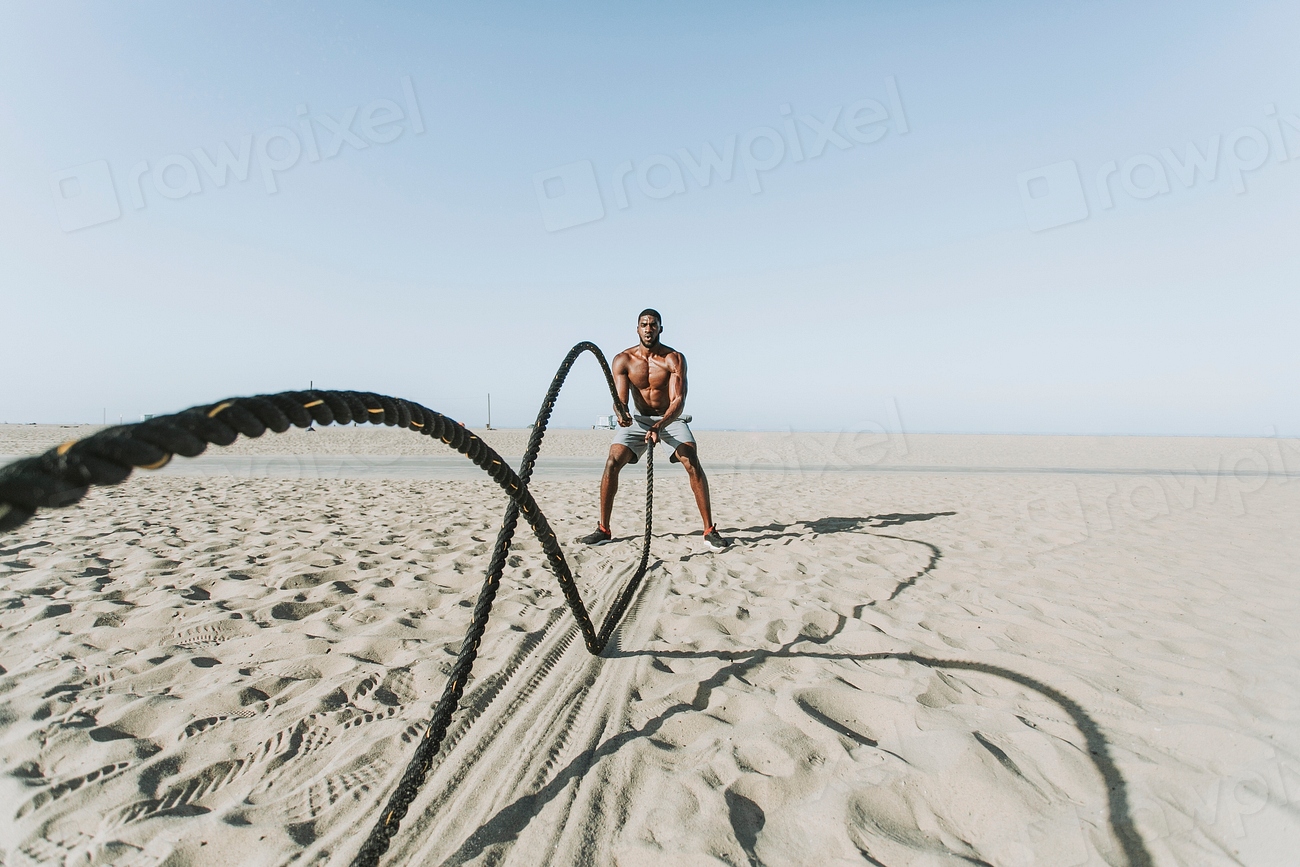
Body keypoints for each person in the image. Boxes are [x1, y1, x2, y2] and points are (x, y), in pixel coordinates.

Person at [581, 309, 730, 551]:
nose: (648, 329)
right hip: (640, 420)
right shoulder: (623, 360)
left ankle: (709, 531)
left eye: (653, 324)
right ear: (637, 329)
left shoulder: (673, 358)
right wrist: (621, 413)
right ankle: (603, 529)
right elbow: (620, 401)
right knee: (612, 462)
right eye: (644, 324)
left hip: (670, 419)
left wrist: (660, 426)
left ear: (660, 328)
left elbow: (678, 400)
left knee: (691, 460)